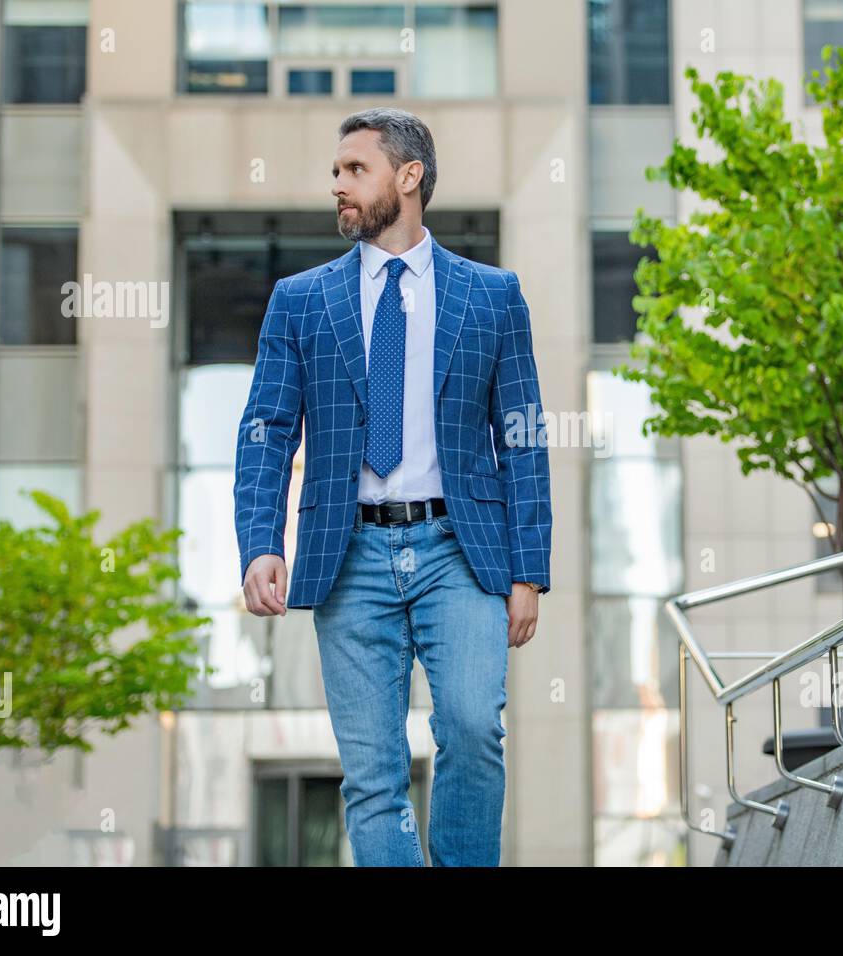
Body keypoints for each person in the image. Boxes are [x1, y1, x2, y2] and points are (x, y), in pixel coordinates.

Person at [233, 107, 552, 866]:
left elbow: (525, 436)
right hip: (347, 556)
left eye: (355, 170)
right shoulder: (301, 300)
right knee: (372, 775)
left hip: (459, 551)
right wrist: (259, 543)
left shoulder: (493, 295)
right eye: (336, 172)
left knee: (474, 730)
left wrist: (529, 570)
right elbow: (267, 429)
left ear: (408, 178)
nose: (338, 186)